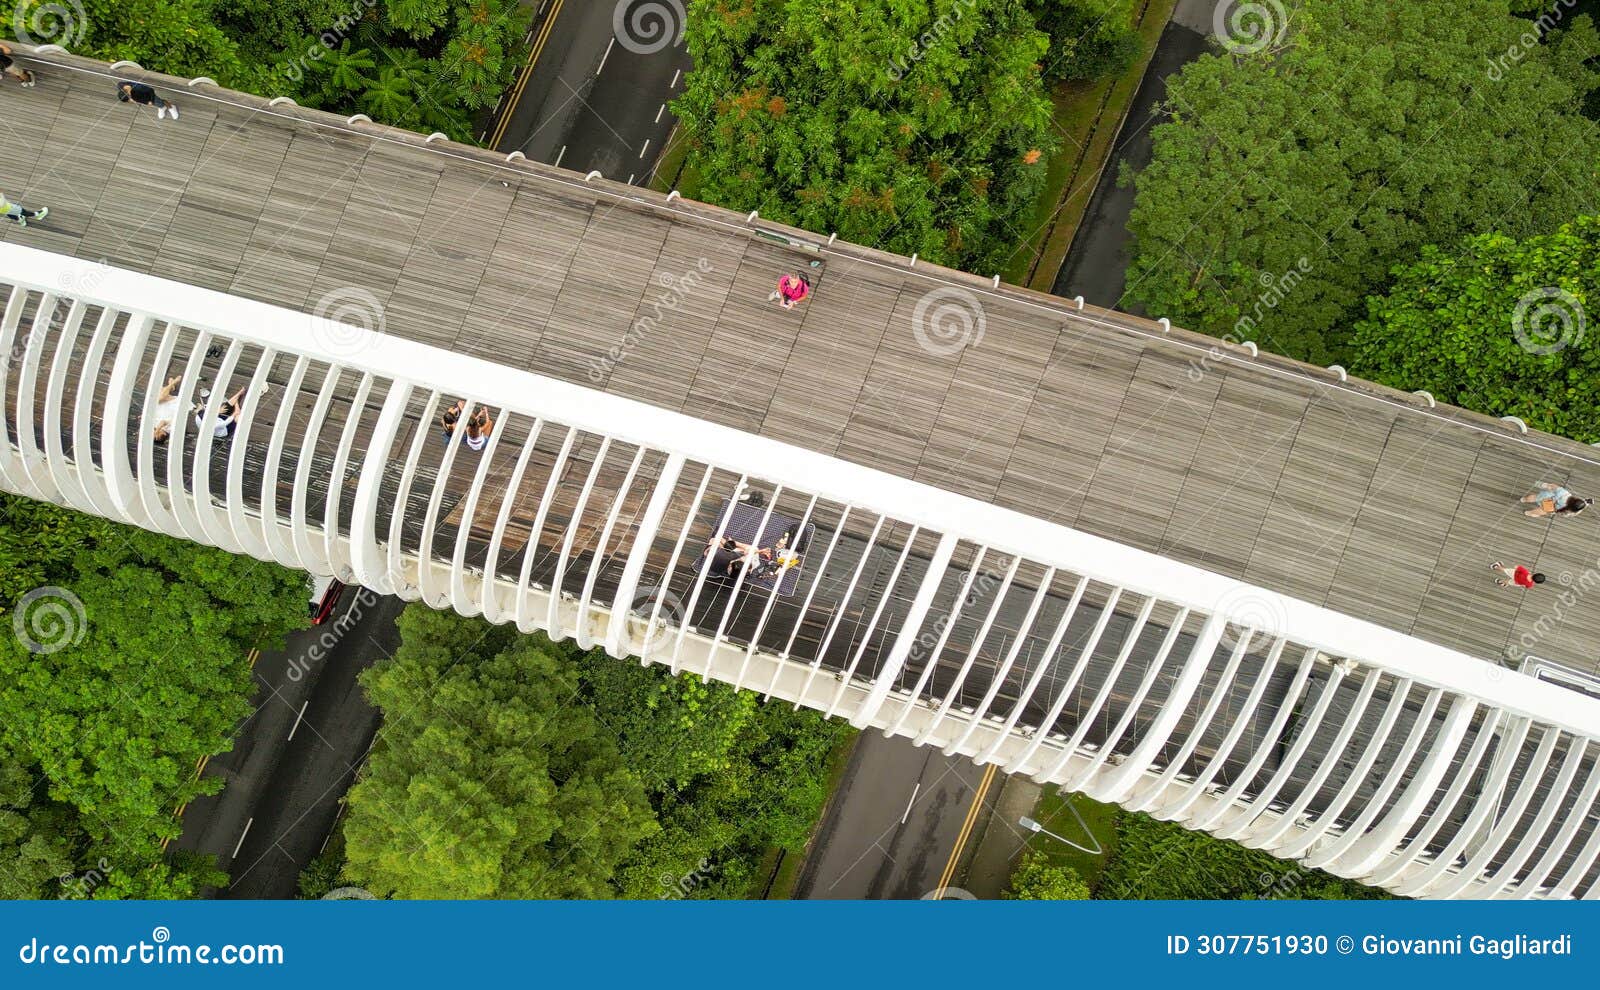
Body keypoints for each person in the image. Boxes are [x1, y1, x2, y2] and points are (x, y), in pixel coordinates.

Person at [195, 382, 267, 439]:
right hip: (225, 429)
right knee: (239, 417)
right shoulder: (209, 424)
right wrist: (235, 412)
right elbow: (224, 424)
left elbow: (211, 411)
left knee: (226, 407)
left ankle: (241, 392)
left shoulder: (200, 415)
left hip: (218, 419)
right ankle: (255, 395)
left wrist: (218, 411)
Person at [1520, 481, 1592, 518]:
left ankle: (1524, 499)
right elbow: (1575, 511)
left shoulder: (1566, 494)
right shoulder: (1569, 510)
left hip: (1547, 496)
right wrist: (1586, 504)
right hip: (1551, 506)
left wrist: (1543, 484)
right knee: (1542, 511)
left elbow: (1554, 487)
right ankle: (1529, 513)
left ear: (1576, 498)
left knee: (1534, 497)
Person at [150, 375, 184, 443]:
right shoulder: (170, 429)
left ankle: (171, 387)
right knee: (160, 398)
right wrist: (157, 430)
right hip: (173, 405)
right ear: (164, 434)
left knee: (158, 397)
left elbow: (155, 415)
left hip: (164, 404)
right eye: (158, 434)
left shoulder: (155, 426)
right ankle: (172, 384)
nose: (156, 432)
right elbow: (163, 422)